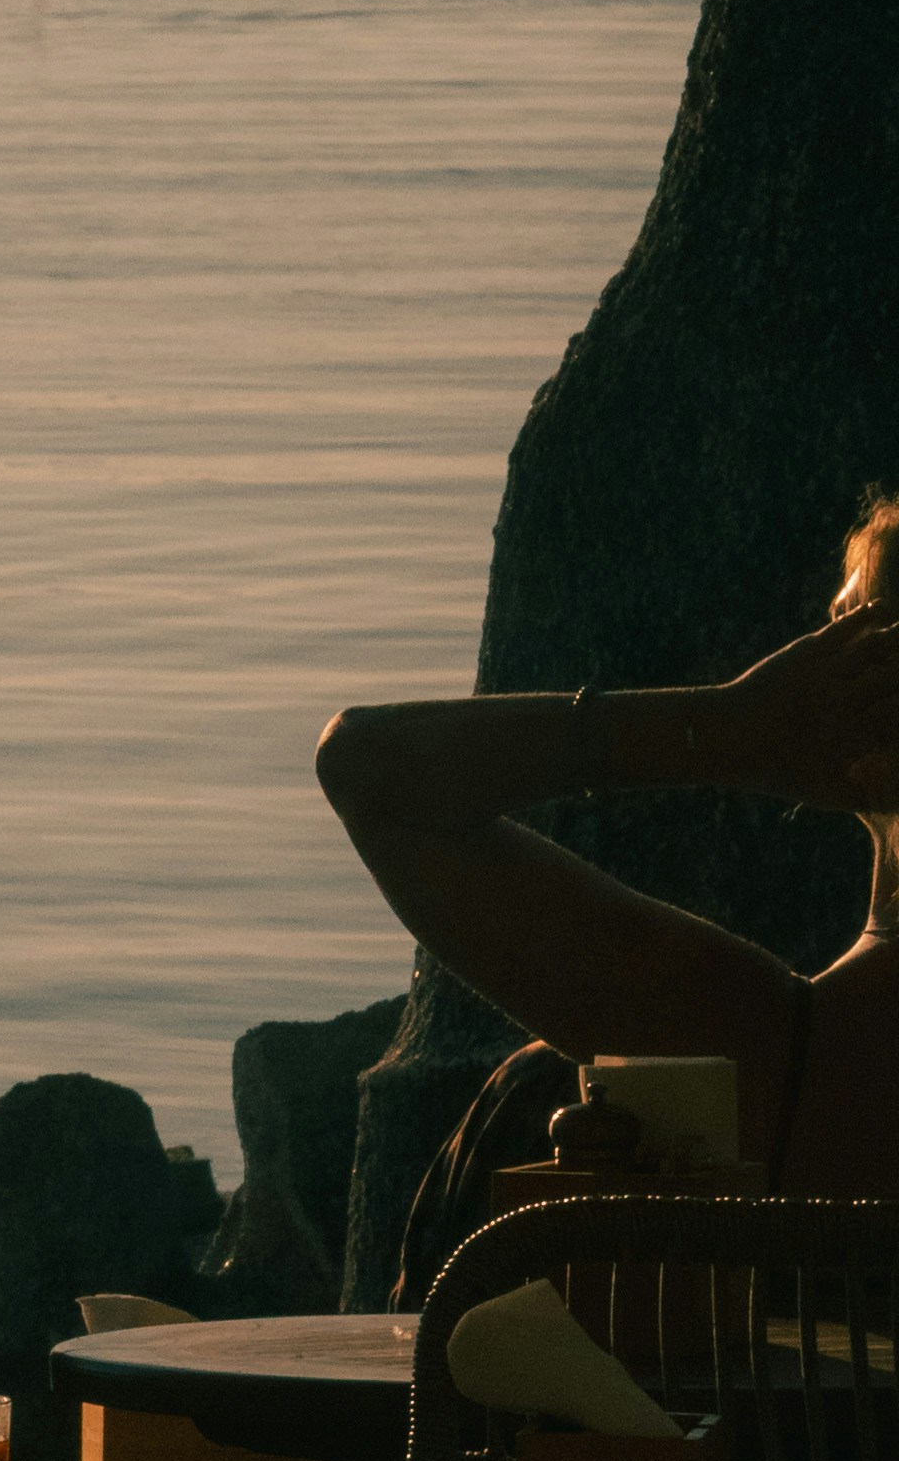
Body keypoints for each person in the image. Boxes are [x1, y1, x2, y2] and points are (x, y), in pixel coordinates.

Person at [317, 498, 899, 1184]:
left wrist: (723, 727)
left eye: (847, 638)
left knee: (524, 1095)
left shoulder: (792, 1052)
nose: (805, 653)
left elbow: (367, 770)